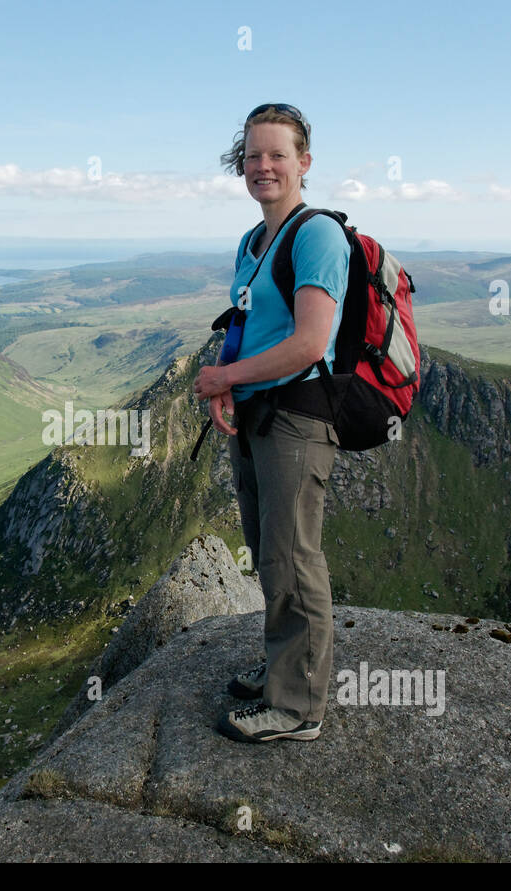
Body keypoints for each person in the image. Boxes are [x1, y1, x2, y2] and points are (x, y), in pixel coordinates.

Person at [192, 103, 350, 743]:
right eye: (253, 155)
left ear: (303, 163)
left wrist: (227, 378)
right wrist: (226, 385)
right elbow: (248, 323)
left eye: (277, 154)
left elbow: (312, 343)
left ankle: (298, 707)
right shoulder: (252, 241)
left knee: (293, 555)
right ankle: (284, 669)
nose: (263, 166)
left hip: (299, 416)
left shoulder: (317, 236)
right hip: (257, 410)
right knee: (267, 548)